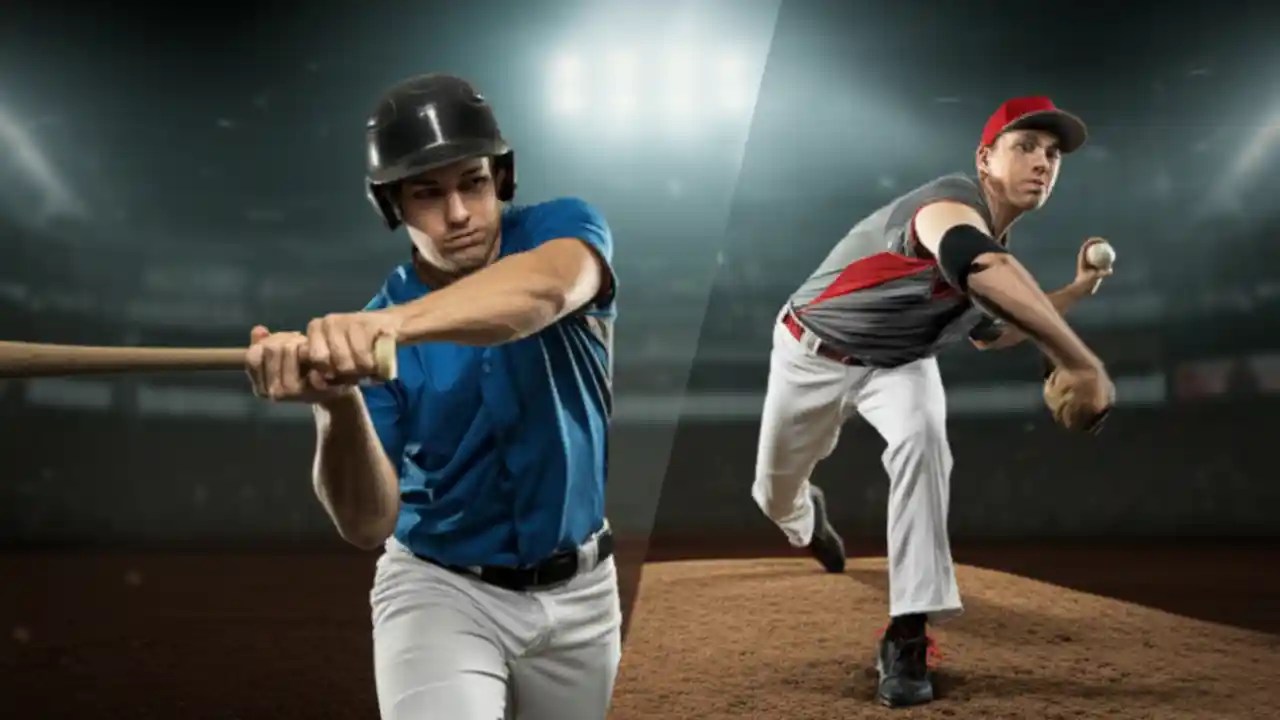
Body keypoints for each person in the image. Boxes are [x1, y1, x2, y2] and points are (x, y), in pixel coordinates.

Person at [243, 73, 621, 720]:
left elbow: (541, 296)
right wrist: (337, 403)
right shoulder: (368, 334)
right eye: (428, 193)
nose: (458, 214)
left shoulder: (564, 229)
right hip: (441, 592)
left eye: (473, 182)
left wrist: (388, 327)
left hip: (586, 593)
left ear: (499, 177)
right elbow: (366, 524)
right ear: (394, 205)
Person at [750, 96, 1115, 708]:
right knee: (772, 494)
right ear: (984, 158)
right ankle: (804, 520)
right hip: (812, 355)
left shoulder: (996, 256)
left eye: (1052, 154)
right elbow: (972, 260)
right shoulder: (947, 205)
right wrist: (1081, 361)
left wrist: (1078, 290)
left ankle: (908, 632)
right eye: (1024, 146)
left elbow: (995, 332)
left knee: (925, 442)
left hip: (901, 364)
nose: (1043, 162)